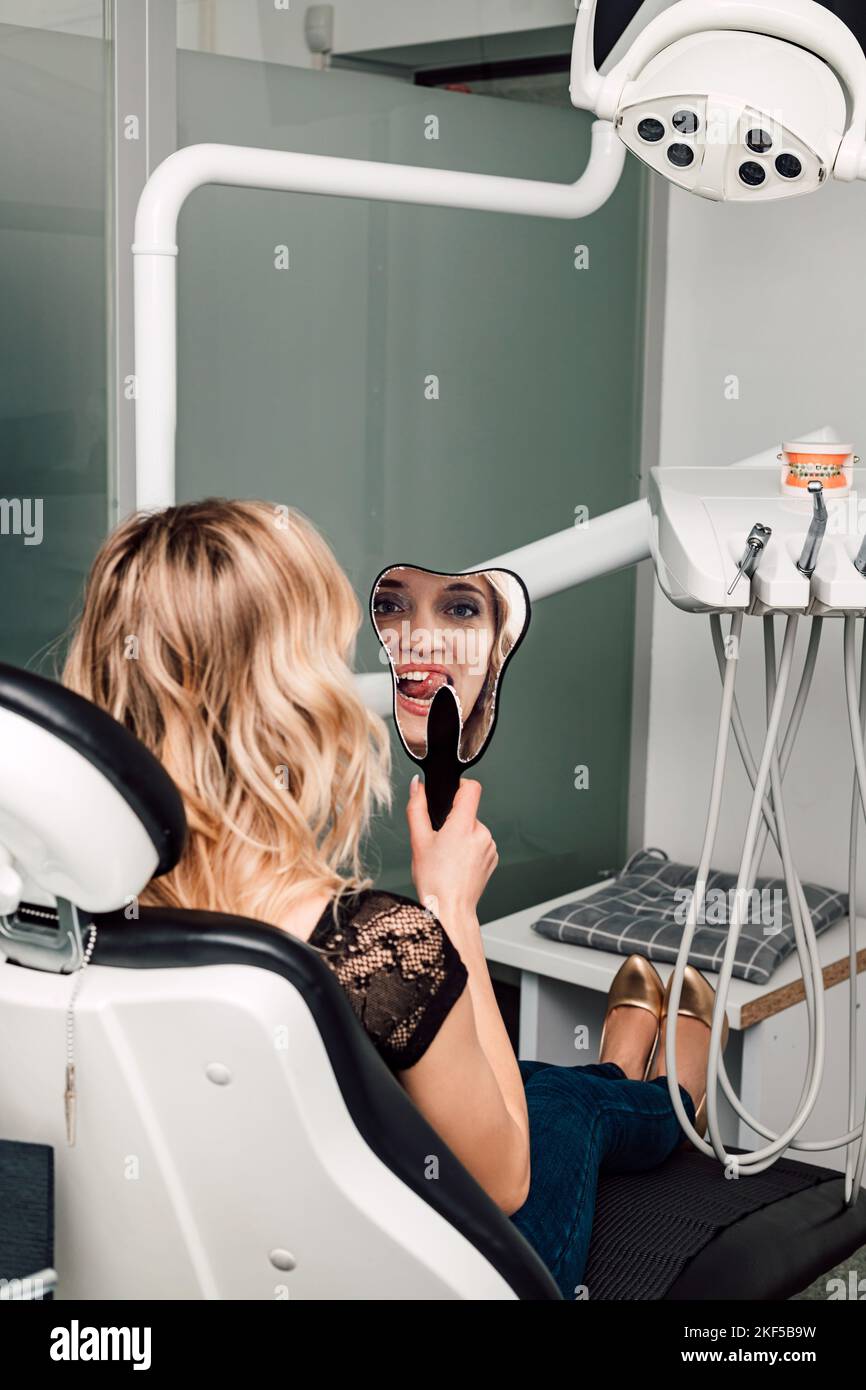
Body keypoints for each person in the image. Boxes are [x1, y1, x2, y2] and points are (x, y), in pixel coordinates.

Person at [63, 497, 722, 1298]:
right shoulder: (373, 947)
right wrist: (451, 905)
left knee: (534, 1080)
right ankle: (668, 1100)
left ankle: (621, 1073)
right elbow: (507, 1180)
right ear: (292, 694)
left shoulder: (57, 912)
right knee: (554, 1106)